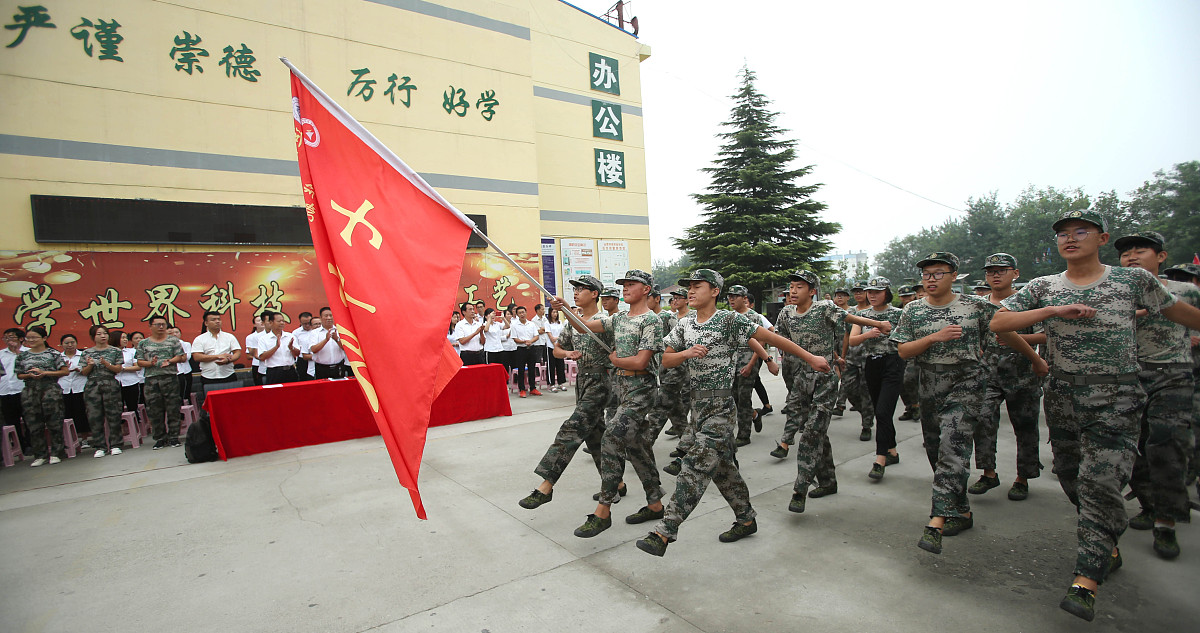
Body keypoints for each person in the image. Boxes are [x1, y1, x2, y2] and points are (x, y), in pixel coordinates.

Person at [990, 208, 1200, 622]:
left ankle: (1086, 579)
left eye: (1081, 231)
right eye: (1063, 234)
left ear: (1102, 238)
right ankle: (1108, 541)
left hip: (1117, 395)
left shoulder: (1132, 280)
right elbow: (998, 321)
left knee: (1099, 482)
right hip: (1063, 395)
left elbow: (1177, 311)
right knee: (1070, 475)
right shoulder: (1045, 286)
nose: (1070, 239)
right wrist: (1051, 312)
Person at [633, 269, 832, 556]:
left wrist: (811, 357)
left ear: (714, 291)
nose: (690, 291)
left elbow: (772, 339)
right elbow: (665, 357)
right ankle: (746, 518)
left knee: (695, 465)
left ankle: (664, 531)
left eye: (697, 286)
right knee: (724, 470)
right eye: (689, 287)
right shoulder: (685, 324)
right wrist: (686, 354)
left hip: (721, 408)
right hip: (697, 408)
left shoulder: (730, 320)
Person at [892, 252, 1046, 559]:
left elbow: (1006, 331)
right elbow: (904, 351)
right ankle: (960, 511)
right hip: (931, 384)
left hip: (968, 382)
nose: (931, 279)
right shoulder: (912, 310)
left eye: (938, 273)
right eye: (926, 274)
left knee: (954, 445)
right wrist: (934, 338)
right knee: (936, 449)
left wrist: (1036, 358)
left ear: (953, 276)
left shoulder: (975, 306)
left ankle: (936, 521)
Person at [772, 271, 895, 511]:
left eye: (800, 286)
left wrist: (878, 324)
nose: (794, 290)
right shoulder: (786, 313)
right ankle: (827, 481)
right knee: (816, 432)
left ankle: (800, 488)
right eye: (792, 286)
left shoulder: (824, 308)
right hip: (800, 379)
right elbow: (778, 337)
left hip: (824, 380)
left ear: (812, 290)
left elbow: (850, 319)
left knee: (810, 435)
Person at [559, 270, 666, 538]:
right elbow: (584, 326)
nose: (626, 288)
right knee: (637, 447)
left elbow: (642, 361)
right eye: (624, 284)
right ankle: (655, 504)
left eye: (632, 284)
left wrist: (616, 361)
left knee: (610, 439)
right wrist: (564, 310)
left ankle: (603, 510)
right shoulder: (618, 318)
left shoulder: (651, 321)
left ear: (646, 290)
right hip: (622, 388)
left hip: (641, 388)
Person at [1116, 231, 1199, 559]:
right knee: (1131, 447)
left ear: (1161, 257)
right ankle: (1149, 504)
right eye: (1126, 253)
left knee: (1167, 445)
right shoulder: (1119, 292)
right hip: (1128, 375)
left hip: (1173, 375)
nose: (1132, 257)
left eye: (1141, 251)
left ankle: (1166, 521)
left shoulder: (1186, 292)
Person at [519, 275, 613, 510]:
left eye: (582, 289)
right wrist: (568, 354)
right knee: (594, 436)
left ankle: (546, 485)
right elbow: (557, 350)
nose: (577, 292)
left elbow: (591, 332)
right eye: (575, 289)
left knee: (571, 429)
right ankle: (616, 483)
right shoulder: (573, 321)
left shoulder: (607, 319)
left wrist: (567, 311)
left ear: (595, 294)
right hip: (582, 380)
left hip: (602, 380)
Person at [969, 253, 1046, 501]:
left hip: (1022, 371)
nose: (995, 275)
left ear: (1015, 273)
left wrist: (1017, 338)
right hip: (988, 372)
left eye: (1002, 270)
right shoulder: (980, 304)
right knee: (982, 419)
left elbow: (1044, 335)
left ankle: (1023, 476)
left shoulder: (1027, 302)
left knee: (1024, 426)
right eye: (991, 271)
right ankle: (988, 473)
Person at [848, 277, 908, 478]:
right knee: (880, 410)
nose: (872, 295)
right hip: (871, 364)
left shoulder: (899, 314)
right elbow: (853, 341)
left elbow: (908, 338)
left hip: (893, 363)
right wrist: (869, 334)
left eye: (877, 291)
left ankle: (879, 459)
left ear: (887, 293)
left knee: (882, 412)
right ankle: (892, 450)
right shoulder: (862, 314)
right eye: (869, 292)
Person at [726, 285, 778, 446]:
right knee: (733, 398)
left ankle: (743, 435)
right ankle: (754, 415)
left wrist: (751, 365)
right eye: (730, 296)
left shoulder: (754, 317)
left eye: (735, 296)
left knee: (744, 398)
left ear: (744, 298)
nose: (731, 299)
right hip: (732, 363)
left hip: (749, 360)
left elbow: (761, 342)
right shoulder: (729, 317)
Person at [15, 326, 69, 466]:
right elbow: (19, 374)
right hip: (30, 391)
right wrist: (29, 375)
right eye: (29, 338)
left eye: (34, 337)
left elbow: (64, 371)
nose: (31, 340)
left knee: (54, 422)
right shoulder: (23, 355)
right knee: (34, 424)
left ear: (44, 338)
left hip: (50, 389)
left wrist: (45, 373)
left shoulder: (53, 354)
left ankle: (57, 452)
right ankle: (40, 454)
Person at [136, 315, 187, 449]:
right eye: (157, 324)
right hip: (152, 380)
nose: (161, 327)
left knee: (173, 408)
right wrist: (150, 363)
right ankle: (159, 438)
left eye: (163, 324)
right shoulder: (144, 343)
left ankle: (174, 437)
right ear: (150, 326)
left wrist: (170, 361)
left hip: (170, 378)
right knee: (154, 410)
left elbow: (181, 357)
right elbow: (139, 362)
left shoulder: (173, 341)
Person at [191, 311, 243, 432]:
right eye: (213, 319)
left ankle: (233, 427)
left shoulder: (229, 337)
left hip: (228, 375)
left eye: (219, 319)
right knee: (213, 408)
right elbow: (197, 357)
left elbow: (237, 353)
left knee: (231, 404)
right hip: (209, 377)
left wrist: (228, 359)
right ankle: (215, 429)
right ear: (206, 323)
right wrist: (217, 357)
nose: (217, 321)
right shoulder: (200, 339)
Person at [80, 325, 126, 457]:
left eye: (105, 333)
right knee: (95, 417)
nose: (103, 336)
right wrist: (90, 365)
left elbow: (118, 369)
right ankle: (100, 446)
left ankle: (116, 444)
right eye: (99, 334)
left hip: (110, 383)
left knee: (114, 415)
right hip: (92, 386)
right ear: (93, 337)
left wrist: (107, 364)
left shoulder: (115, 351)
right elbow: (84, 372)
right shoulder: (86, 353)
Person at [842, 281, 875, 440]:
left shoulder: (874, 311)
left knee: (866, 391)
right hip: (852, 357)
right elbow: (847, 335)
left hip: (869, 358)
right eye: (856, 291)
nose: (858, 294)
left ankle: (866, 425)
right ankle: (867, 412)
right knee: (849, 389)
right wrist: (842, 355)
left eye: (861, 291)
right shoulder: (851, 312)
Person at [0, 328, 28, 452]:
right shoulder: (1, 354)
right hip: (5, 392)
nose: (8, 340)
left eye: (11, 337)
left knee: (29, 419)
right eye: (6, 337)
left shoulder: (27, 352)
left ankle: (30, 445)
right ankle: (19, 446)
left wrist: (17, 351)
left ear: (21, 339)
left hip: (23, 390)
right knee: (11, 421)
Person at [896, 285, 921, 422]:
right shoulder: (898, 311)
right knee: (900, 381)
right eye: (903, 296)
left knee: (909, 378)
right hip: (899, 350)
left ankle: (916, 405)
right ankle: (909, 407)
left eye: (909, 296)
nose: (906, 299)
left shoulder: (919, 309)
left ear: (914, 296)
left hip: (914, 350)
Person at [57, 334, 89, 440]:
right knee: (67, 414)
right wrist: (64, 370)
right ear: (61, 344)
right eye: (66, 343)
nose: (70, 345)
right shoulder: (58, 357)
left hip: (80, 387)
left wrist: (77, 369)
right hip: (64, 388)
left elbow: (89, 369)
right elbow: (54, 373)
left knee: (81, 413)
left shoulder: (83, 355)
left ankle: (84, 438)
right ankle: (71, 439)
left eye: (72, 342)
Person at [257, 311, 300, 385]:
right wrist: (276, 347)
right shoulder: (264, 339)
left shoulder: (290, 336)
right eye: (279, 321)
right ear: (271, 322)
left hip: (290, 371)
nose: (282, 323)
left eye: (283, 321)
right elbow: (262, 357)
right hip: (274, 372)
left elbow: (298, 353)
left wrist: (291, 348)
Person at [509, 306, 542, 397]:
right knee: (521, 370)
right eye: (520, 313)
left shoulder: (531, 324)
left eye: (523, 312)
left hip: (531, 349)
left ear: (526, 312)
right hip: (521, 350)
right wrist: (524, 342)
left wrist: (530, 341)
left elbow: (536, 336)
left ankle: (533, 388)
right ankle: (522, 389)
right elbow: (515, 339)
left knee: (532, 369)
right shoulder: (514, 325)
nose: (522, 314)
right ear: (517, 314)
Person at [309, 307, 347, 378]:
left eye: (331, 315)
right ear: (321, 317)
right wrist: (326, 340)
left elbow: (346, 349)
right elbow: (313, 349)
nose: (329, 318)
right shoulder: (315, 333)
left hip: (338, 367)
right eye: (326, 316)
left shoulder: (340, 331)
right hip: (322, 368)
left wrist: (337, 340)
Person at [110, 330, 142, 412]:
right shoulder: (109, 352)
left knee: (132, 407)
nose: (125, 340)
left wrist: (123, 369)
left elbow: (138, 367)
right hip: (114, 382)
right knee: (116, 408)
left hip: (131, 382)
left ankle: (135, 423)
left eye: (126, 338)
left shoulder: (131, 352)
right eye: (122, 338)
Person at [167, 326, 194, 403]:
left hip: (185, 371)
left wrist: (171, 360)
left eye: (176, 332)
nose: (174, 334)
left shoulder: (184, 344)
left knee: (185, 393)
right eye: (171, 333)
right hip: (172, 373)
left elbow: (186, 357)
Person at [545, 309, 567, 391]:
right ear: (550, 313)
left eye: (556, 312)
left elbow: (561, 335)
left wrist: (558, 343)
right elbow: (551, 337)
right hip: (551, 347)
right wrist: (555, 344)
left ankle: (561, 383)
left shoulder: (560, 322)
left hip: (559, 347)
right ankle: (552, 384)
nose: (555, 314)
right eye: (553, 312)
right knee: (551, 365)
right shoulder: (547, 323)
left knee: (560, 365)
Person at [291, 312, 316, 381]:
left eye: (309, 323)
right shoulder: (296, 333)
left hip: (316, 359)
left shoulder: (316, 330)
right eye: (305, 324)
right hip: (303, 360)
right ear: (300, 322)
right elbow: (295, 347)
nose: (307, 325)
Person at [245, 314, 266, 386]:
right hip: (257, 364)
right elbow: (249, 354)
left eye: (262, 320)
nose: (261, 322)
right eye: (258, 321)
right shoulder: (251, 337)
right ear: (254, 324)